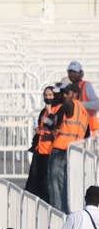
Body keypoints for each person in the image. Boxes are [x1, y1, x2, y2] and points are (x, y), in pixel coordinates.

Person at [46, 83, 89, 211]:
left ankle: (57, 213)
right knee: (67, 185)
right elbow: (86, 134)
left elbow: (53, 124)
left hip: (61, 149)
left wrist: (49, 113)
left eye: (66, 93)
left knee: (56, 185)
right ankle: (65, 211)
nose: (63, 96)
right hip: (75, 151)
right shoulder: (84, 111)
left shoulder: (69, 105)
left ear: (74, 94)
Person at [26, 84, 60, 200]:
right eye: (45, 95)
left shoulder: (57, 110)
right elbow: (42, 126)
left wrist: (50, 112)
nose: (47, 97)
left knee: (46, 183)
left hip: (50, 151)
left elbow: (51, 126)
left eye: (50, 95)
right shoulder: (43, 111)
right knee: (34, 181)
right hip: (39, 149)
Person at [67, 60, 99, 133]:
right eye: (70, 72)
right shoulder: (69, 87)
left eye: (74, 72)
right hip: (76, 129)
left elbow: (97, 104)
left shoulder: (86, 85)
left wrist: (80, 104)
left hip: (89, 128)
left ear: (81, 73)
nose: (72, 74)